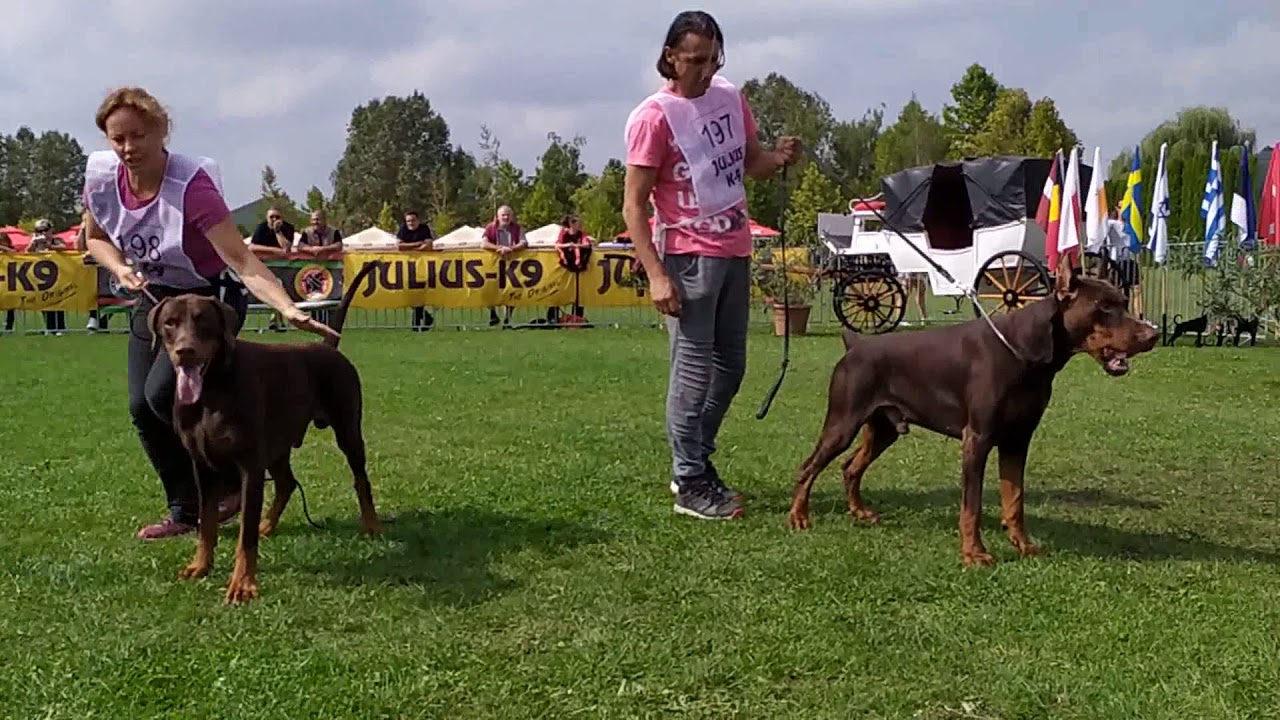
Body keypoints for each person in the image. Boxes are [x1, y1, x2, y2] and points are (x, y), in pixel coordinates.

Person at [81, 86, 337, 540]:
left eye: (138, 136)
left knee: (168, 395)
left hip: (207, 302)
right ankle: (187, 508)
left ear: (163, 131)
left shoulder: (192, 188)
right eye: (117, 138)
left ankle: (228, 486)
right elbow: (96, 237)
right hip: (158, 301)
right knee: (143, 406)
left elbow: (241, 260)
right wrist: (119, 267)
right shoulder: (102, 179)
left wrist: (285, 307)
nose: (127, 148)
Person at [623, 10, 800, 520]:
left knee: (732, 367)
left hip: (735, 248)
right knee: (694, 369)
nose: (703, 69)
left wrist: (780, 157)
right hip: (687, 255)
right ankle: (690, 480)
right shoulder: (653, 118)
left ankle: (695, 460)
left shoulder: (729, 97)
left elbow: (753, 163)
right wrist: (656, 274)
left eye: (712, 59)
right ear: (670, 57)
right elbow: (633, 206)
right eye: (693, 60)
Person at [480, 205, 526, 327]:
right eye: (503, 215)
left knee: (512, 290)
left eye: (508, 215)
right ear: (498, 216)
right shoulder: (490, 227)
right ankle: (492, 314)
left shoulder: (517, 228)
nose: (506, 217)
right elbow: (484, 243)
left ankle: (508, 317)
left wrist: (511, 249)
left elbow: (523, 242)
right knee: (488, 288)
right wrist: (499, 248)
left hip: (512, 265)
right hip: (493, 265)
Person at [27, 219, 69, 335]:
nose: (43, 233)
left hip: (57, 275)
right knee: (44, 302)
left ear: (51, 230)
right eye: (39, 230)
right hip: (40, 277)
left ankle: (60, 327)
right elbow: (26, 254)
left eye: (45, 230)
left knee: (58, 301)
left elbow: (64, 247)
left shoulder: (56, 240)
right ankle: (49, 328)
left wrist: (50, 246)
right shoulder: (35, 241)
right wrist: (33, 244)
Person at [396, 210, 437, 331]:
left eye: (413, 220)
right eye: (408, 221)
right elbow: (399, 246)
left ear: (418, 220)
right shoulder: (403, 228)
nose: (410, 223)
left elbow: (429, 245)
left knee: (419, 294)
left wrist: (410, 247)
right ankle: (424, 319)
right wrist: (418, 245)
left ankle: (416, 323)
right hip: (407, 267)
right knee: (410, 295)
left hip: (423, 266)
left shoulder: (424, 228)